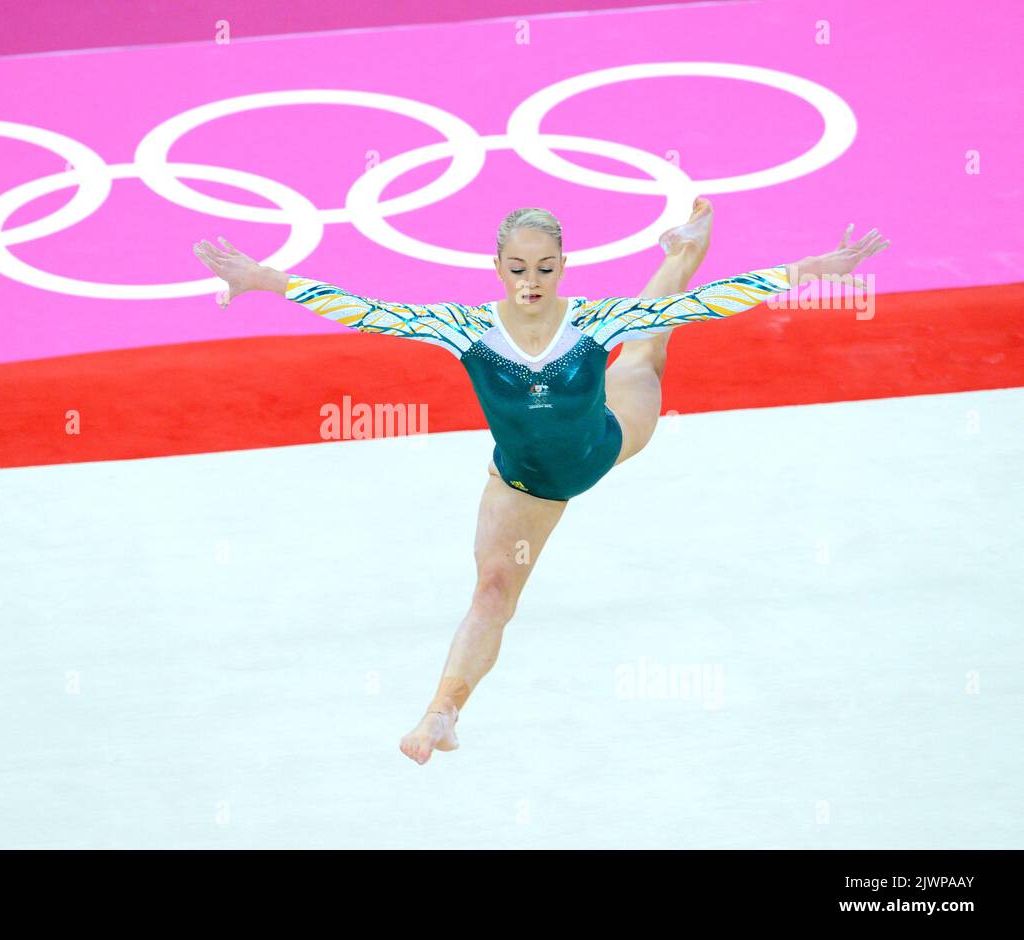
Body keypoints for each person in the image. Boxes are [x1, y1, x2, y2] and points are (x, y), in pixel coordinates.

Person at [192, 199, 889, 764]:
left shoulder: (590, 321)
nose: (531, 281)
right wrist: (265, 279)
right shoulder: (464, 329)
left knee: (646, 351)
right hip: (523, 487)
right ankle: (442, 711)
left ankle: (685, 246)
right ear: (496, 266)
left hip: (605, 441)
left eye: (546, 267)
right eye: (519, 267)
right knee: (493, 593)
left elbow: (711, 304)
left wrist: (814, 267)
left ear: (563, 266)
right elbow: (366, 311)